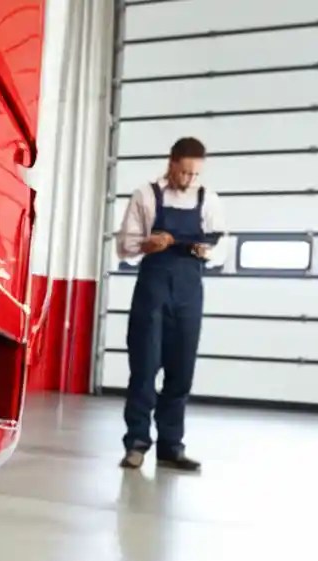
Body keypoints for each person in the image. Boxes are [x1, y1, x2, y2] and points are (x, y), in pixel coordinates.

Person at [116, 137, 227, 471]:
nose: (190, 180)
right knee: (145, 367)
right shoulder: (146, 195)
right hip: (152, 289)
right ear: (172, 163)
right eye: (184, 172)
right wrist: (151, 244)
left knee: (181, 372)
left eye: (196, 175)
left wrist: (205, 251)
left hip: (189, 291)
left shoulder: (209, 200)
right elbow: (125, 246)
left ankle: (170, 446)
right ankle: (136, 443)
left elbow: (221, 248)